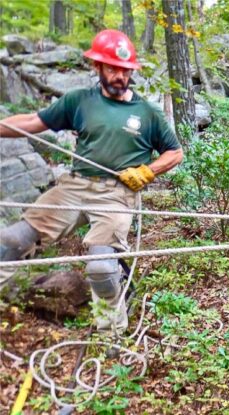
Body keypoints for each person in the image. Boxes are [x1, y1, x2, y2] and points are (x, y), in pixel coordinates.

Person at [0, 29, 183, 332]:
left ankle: (111, 334)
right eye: (112, 68)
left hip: (116, 194)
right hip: (73, 187)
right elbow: (33, 122)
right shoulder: (79, 101)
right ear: (97, 66)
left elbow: (175, 153)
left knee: (101, 267)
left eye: (125, 70)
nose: (119, 76)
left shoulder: (147, 113)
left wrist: (148, 171)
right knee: (11, 240)